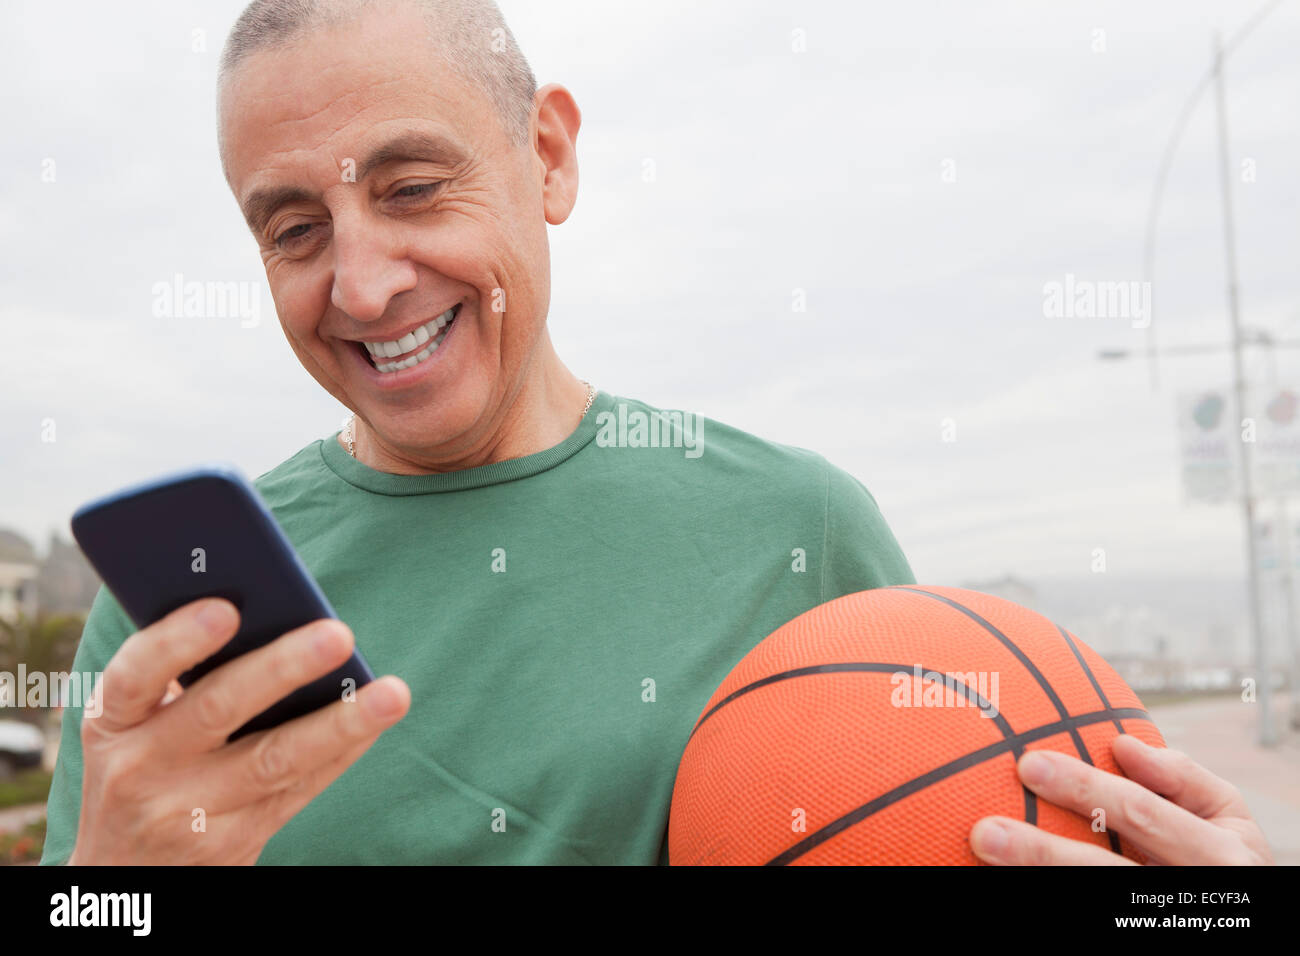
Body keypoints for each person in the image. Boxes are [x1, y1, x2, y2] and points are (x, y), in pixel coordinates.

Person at [41, 0, 1272, 866]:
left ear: (548, 157)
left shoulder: (798, 531)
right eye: (294, 229)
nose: (362, 286)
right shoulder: (175, 614)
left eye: (412, 188)